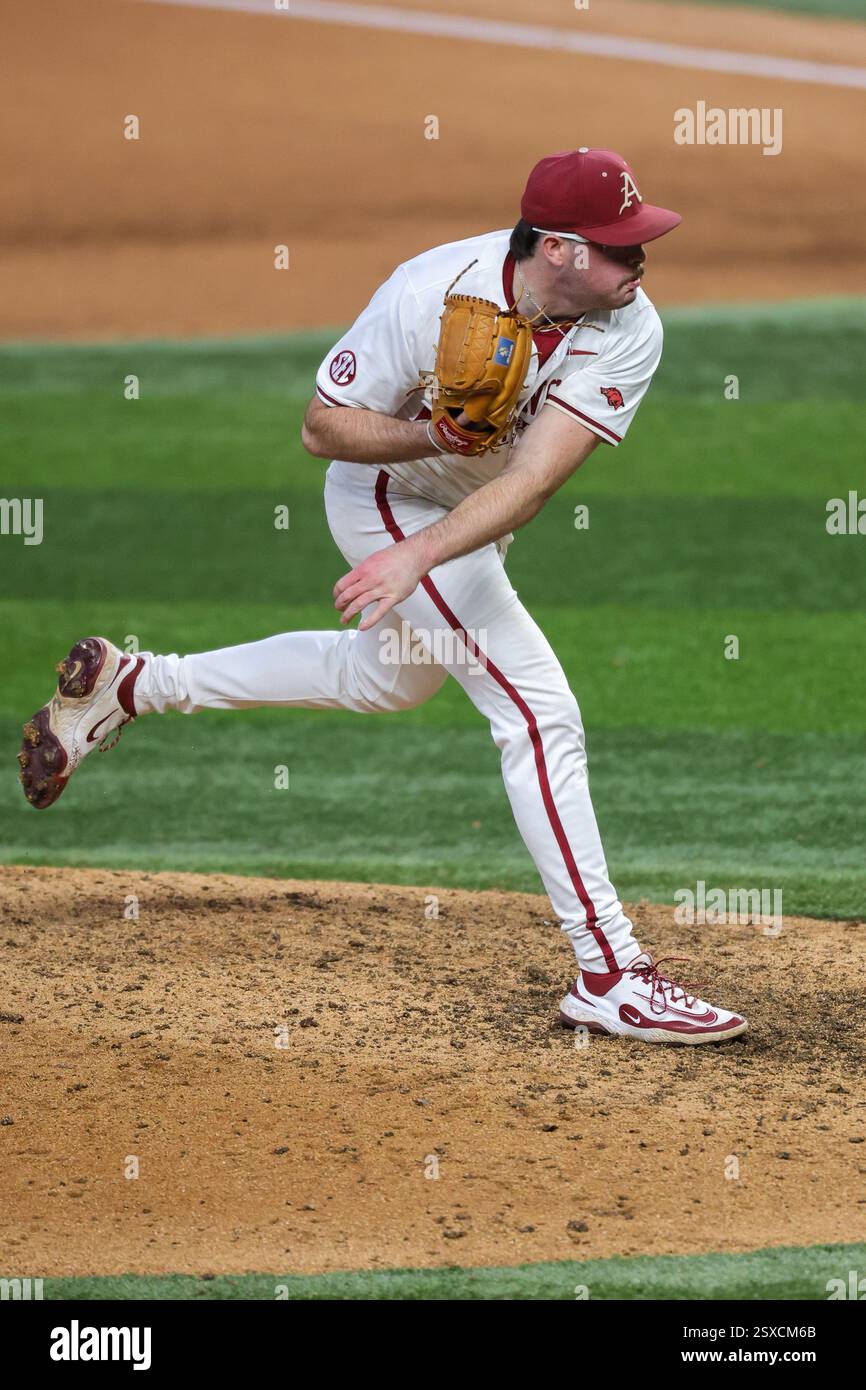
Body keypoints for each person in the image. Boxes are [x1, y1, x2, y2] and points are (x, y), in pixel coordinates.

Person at [18, 148, 747, 1045]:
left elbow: (533, 479)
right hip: (386, 500)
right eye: (618, 248)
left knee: (385, 680)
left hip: (463, 518)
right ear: (556, 249)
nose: (640, 263)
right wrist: (424, 437)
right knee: (536, 709)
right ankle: (611, 972)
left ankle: (130, 685)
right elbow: (320, 427)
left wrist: (432, 552)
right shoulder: (428, 291)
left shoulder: (631, 326)